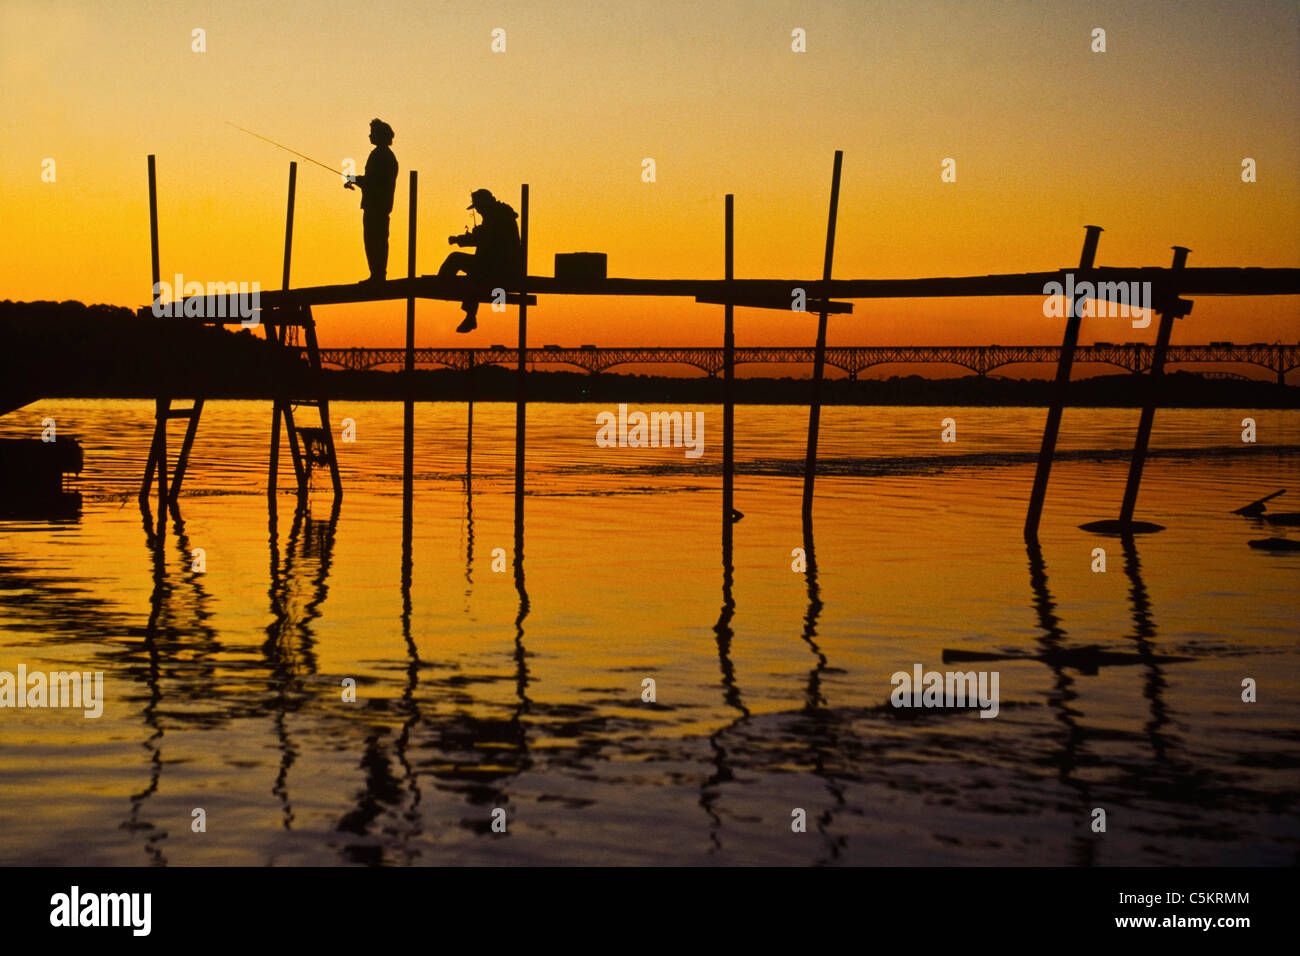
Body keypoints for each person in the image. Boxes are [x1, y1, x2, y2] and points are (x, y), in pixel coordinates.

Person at [438, 188, 523, 333]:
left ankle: (441, 287)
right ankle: (470, 315)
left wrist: (459, 239)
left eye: (477, 207)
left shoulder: (496, 217)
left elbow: (484, 240)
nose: (477, 211)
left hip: (498, 268)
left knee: (455, 259)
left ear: (484, 205)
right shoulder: (500, 215)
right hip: (502, 266)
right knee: (473, 275)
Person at [344, 119, 398, 283]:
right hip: (380, 205)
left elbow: (373, 181)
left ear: (379, 136)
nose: (369, 136)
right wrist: (356, 179)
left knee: (374, 241)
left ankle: (377, 276)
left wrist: (355, 179)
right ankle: (377, 274)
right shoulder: (385, 155)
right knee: (377, 240)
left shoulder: (379, 156)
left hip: (376, 206)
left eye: (372, 133)